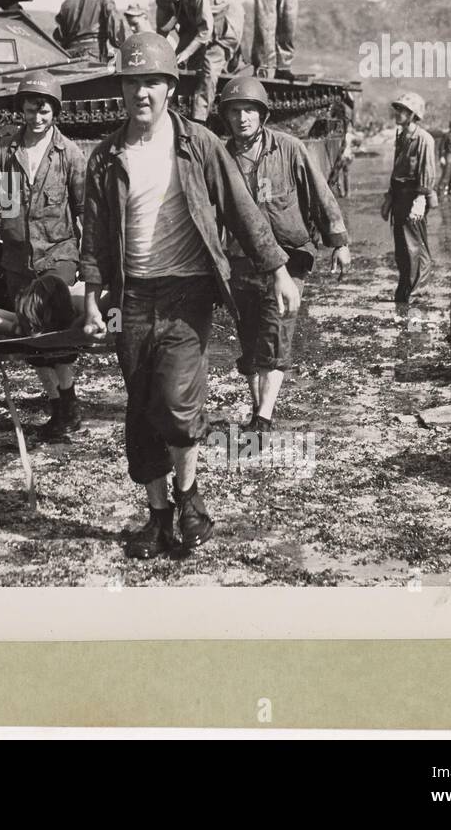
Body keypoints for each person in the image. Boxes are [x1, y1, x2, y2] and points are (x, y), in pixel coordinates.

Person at [80, 33, 298, 560]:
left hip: (186, 294)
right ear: (123, 89)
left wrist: (278, 269)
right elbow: (94, 234)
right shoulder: (105, 156)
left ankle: (189, 495)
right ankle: (157, 516)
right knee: (141, 408)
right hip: (132, 298)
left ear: (169, 87)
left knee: (177, 405)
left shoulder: (199, 143)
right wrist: (91, 299)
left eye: (152, 81)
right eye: (133, 81)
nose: (142, 92)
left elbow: (242, 209)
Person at [0, 70, 87, 442]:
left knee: (48, 330)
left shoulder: (69, 154)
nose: (37, 118)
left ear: (54, 111)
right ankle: (61, 408)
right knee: (32, 339)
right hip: (17, 260)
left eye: (44, 110)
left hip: (58, 257)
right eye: (30, 109)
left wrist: (93, 264)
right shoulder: (4, 152)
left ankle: (67, 405)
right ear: (20, 110)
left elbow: (85, 210)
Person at [218, 77, 350, 438]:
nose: (242, 117)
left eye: (249, 110)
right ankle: (256, 410)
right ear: (225, 116)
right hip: (240, 260)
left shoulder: (290, 149)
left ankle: (263, 418)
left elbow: (320, 193)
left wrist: (338, 241)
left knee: (276, 333)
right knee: (248, 340)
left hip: (290, 258)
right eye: (234, 110)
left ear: (262, 115)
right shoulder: (220, 157)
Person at [155, 0, 244, 122]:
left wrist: (186, 53)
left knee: (208, 69)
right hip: (194, 26)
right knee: (177, 66)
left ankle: (198, 121)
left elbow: (205, 30)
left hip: (223, 26)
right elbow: (162, 30)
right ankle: (168, 113)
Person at [383, 90, 439, 305]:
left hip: (414, 198)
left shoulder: (424, 139)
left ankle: (416, 293)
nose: (398, 113)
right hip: (399, 198)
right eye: (397, 109)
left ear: (414, 114)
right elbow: (397, 169)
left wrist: (421, 199)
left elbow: (427, 171)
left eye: (403, 110)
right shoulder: (402, 136)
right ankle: (406, 290)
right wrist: (389, 198)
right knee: (402, 249)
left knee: (415, 247)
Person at [54, 0, 125, 62]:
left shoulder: (65, 4)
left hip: (71, 56)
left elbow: (59, 39)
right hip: (95, 52)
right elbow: (115, 26)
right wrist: (122, 47)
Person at [337, 122, 355, 198]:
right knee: (346, 175)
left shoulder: (341, 136)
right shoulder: (350, 136)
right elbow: (357, 143)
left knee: (338, 176)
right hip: (347, 157)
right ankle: (347, 193)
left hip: (342, 157)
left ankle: (341, 192)